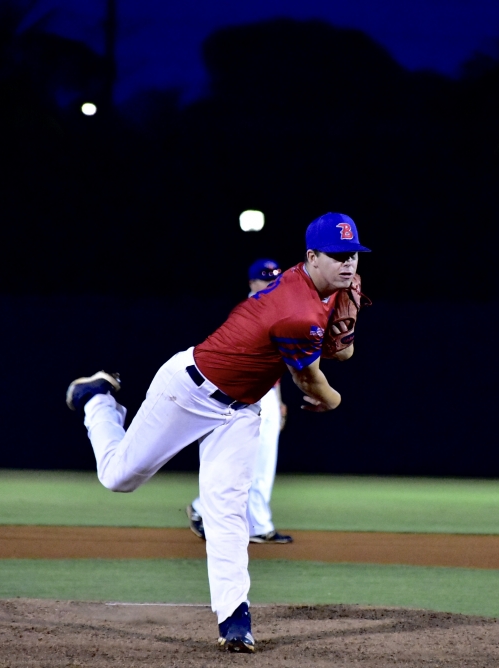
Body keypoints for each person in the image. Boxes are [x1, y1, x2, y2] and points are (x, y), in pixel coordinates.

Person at [65, 212, 371, 653]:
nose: (348, 265)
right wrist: (335, 397)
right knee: (117, 477)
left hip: (241, 411)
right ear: (311, 257)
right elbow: (313, 384)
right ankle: (98, 400)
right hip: (187, 392)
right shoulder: (297, 310)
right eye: (338, 255)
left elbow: (337, 350)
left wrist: (341, 337)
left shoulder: (321, 290)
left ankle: (235, 618)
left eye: (354, 256)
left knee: (227, 513)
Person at [186, 258, 293, 545]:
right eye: (265, 279)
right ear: (251, 283)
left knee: (263, 463)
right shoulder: (250, 311)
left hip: (267, 394)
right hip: (243, 396)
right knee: (246, 463)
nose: (272, 284)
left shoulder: (277, 309)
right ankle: (205, 508)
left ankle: (256, 524)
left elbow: (277, 364)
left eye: (276, 279)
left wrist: (278, 400)